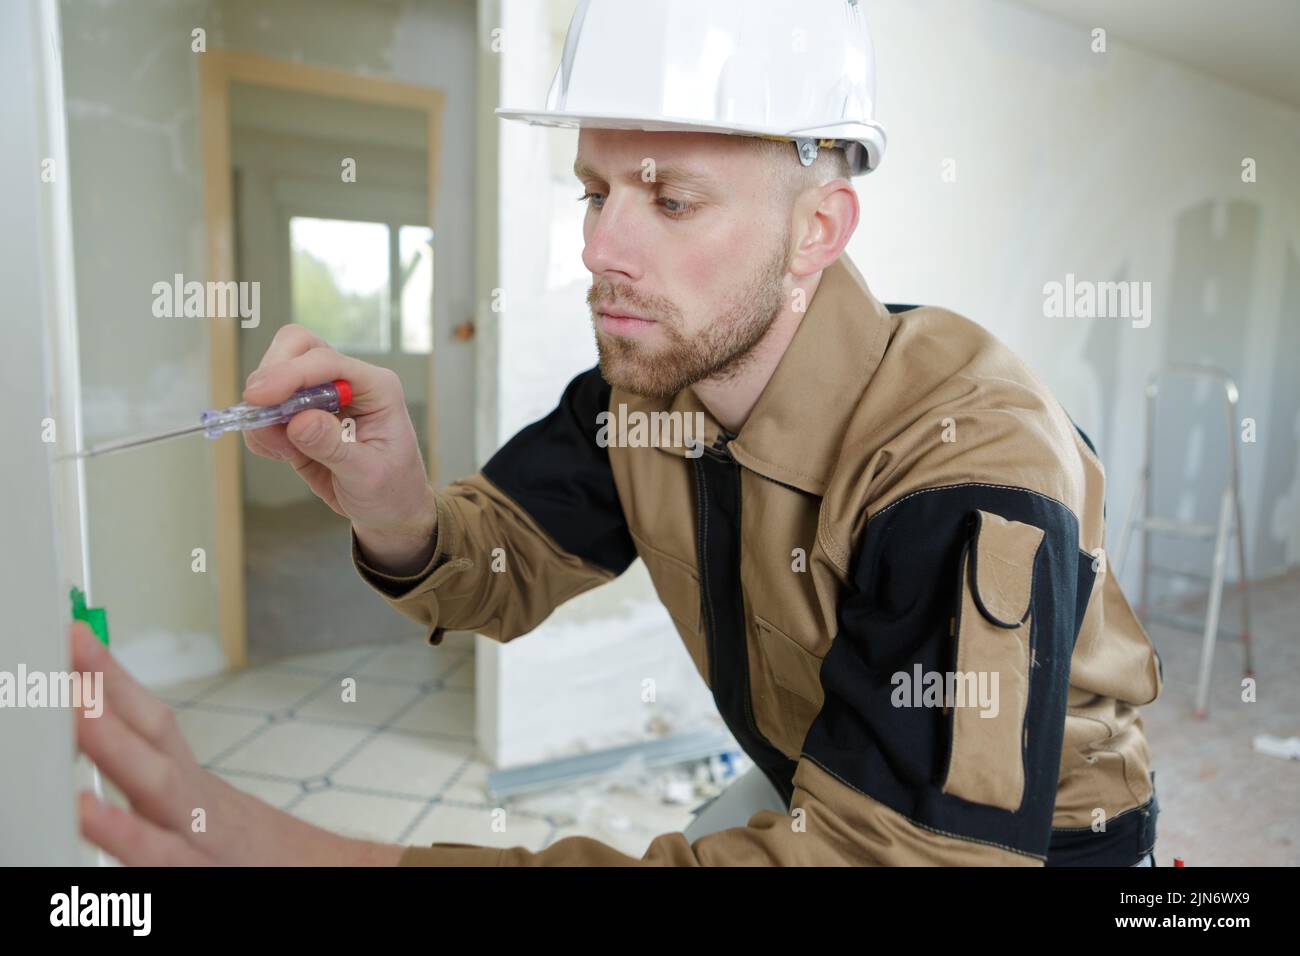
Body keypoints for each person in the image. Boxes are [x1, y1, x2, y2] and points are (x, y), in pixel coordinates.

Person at [74, 0, 1162, 866]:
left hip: (1032, 849)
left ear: (814, 231)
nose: (601, 247)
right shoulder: (648, 394)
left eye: (670, 201)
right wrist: (397, 505)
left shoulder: (962, 465)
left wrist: (300, 853)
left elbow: (901, 861)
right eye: (595, 191)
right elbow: (499, 564)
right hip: (815, 779)